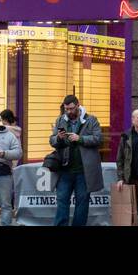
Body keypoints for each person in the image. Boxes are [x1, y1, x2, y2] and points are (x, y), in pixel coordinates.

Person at [48, 94, 104, 226]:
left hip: (84, 171)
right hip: (64, 169)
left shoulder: (91, 120)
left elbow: (99, 139)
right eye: (66, 109)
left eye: (71, 109)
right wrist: (59, 138)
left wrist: (80, 139)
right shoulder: (60, 120)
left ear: (78, 105)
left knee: (82, 202)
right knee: (62, 200)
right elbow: (52, 140)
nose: (69, 112)